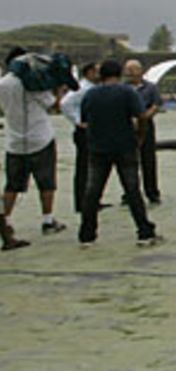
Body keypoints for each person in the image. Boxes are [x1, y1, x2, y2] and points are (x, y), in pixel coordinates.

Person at [78, 59, 160, 247]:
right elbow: (141, 116)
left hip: (98, 148)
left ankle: (87, 234)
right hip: (125, 146)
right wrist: (140, 137)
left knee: (92, 192)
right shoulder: (127, 92)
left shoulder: (90, 95)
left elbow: (85, 121)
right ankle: (144, 232)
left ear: (101, 76)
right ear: (120, 74)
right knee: (132, 190)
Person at [0, 47, 71, 236]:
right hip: (40, 138)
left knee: (12, 184)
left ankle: (5, 219)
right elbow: (53, 106)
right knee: (46, 182)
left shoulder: (2, 84)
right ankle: (48, 220)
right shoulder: (34, 84)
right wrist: (59, 91)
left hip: (14, 141)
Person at [60, 61, 100, 213]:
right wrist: (78, 122)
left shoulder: (92, 88)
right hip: (84, 132)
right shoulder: (82, 88)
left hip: (92, 131)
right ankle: (82, 202)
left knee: (91, 168)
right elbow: (65, 104)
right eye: (96, 71)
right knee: (84, 168)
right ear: (89, 73)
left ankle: (91, 200)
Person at [123, 59, 163, 204]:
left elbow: (156, 104)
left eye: (133, 69)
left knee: (149, 160)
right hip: (126, 126)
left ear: (140, 71)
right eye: (127, 70)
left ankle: (152, 192)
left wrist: (144, 116)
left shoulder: (150, 88)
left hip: (146, 124)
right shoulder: (122, 88)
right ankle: (130, 194)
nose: (130, 73)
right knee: (128, 161)